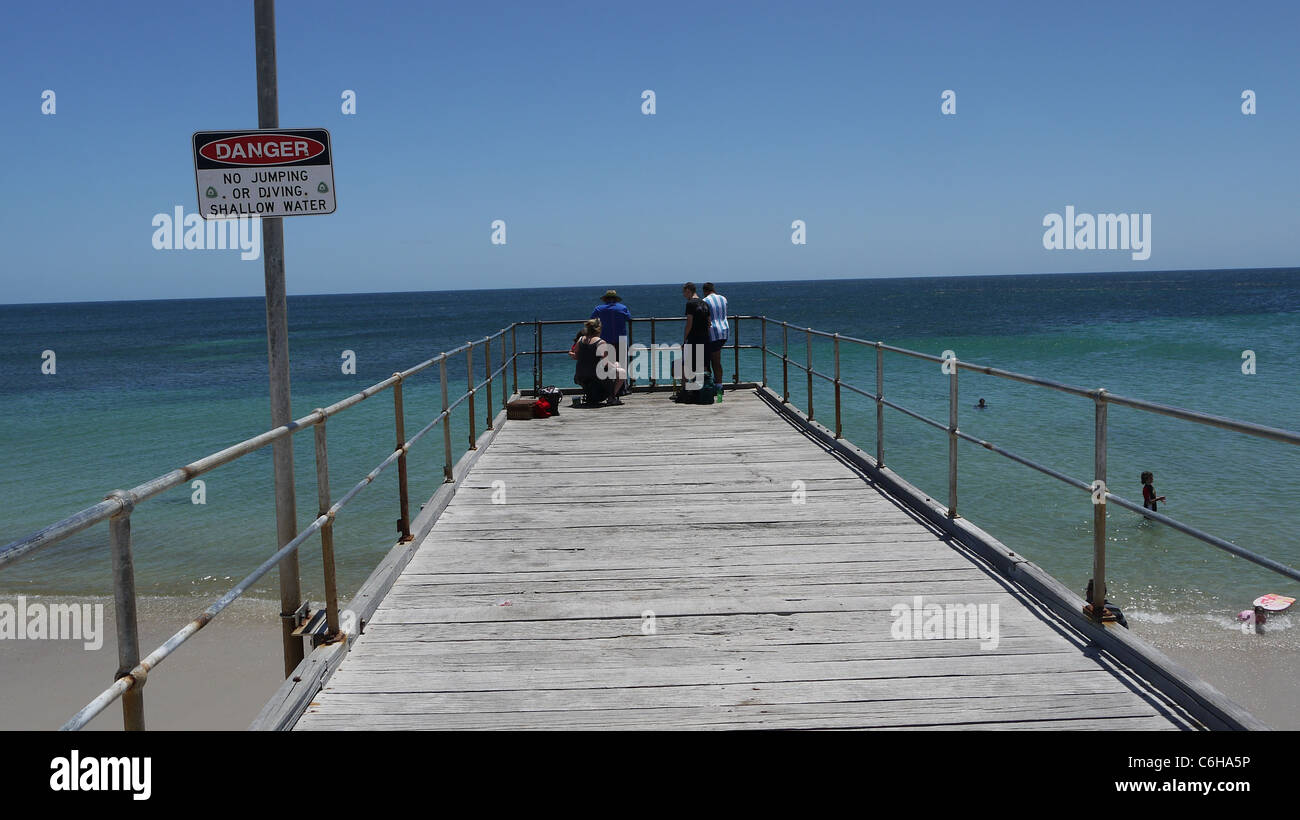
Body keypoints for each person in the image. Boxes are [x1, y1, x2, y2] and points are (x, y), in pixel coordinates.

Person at [573, 318, 625, 405]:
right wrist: (616, 365)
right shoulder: (601, 342)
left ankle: (594, 394)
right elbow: (606, 363)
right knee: (622, 372)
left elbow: (575, 355)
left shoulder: (581, 339)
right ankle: (611, 398)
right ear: (599, 329)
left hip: (580, 375)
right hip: (596, 375)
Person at [591, 290, 631, 394]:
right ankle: (622, 389)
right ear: (616, 299)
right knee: (622, 364)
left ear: (605, 299)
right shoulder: (623, 308)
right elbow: (629, 318)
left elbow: (592, 320)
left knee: (607, 365)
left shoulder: (598, 309)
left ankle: (608, 389)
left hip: (605, 340)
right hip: (621, 340)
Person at [681, 282, 711, 391]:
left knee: (687, 365)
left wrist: (684, 340)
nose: (683, 295)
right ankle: (702, 389)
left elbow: (689, 323)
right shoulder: (704, 303)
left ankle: (685, 390)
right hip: (705, 338)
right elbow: (709, 323)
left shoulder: (690, 304)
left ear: (688, 291)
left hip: (694, 337)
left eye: (684, 292)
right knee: (703, 365)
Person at [701, 283, 729, 389]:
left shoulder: (705, 301)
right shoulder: (723, 298)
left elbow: (705, 318)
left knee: (712, 361)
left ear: (705, 291)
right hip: (724, 331)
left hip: (712, 332)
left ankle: (715, 385)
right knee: (716, 359)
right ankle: (717, 384)